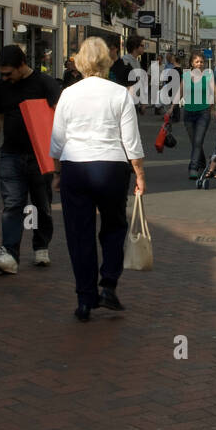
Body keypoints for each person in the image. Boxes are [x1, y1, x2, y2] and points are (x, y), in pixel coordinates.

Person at [50, 37, 147, 321]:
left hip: (75, 165)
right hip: (111, 166)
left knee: (79, 233)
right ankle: (108, 284)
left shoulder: (68, 93)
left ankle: (84, 298)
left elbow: (57, 140)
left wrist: (57, 173)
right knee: (114, 226)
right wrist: (139, 174)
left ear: (80, 61)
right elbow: (131, 140)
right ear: (107, 61)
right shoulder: (119, 94)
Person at [0, 45, 62, 274]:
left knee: (41, 204)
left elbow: (60, 115)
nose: (4, 78)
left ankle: (41, 246)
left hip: (40, 155)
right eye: (1, 74)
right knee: (12, 204)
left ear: (21, 65)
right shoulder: (2, 87)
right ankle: (9, 255)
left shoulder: (45, 84)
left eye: (8, 73)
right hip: (11, 153)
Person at [178, 52, 216, 179]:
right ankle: (203, 164)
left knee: (198, 140)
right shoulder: (186, 75)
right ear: (192, 63)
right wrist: (171, 107)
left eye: (201, 62)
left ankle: (193, 167)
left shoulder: (208, 75)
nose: (199, 64)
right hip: (188, 112)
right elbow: (180, 91)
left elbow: (214, 90)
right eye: (197, 62)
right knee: (195, 142)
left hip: (203, 112)